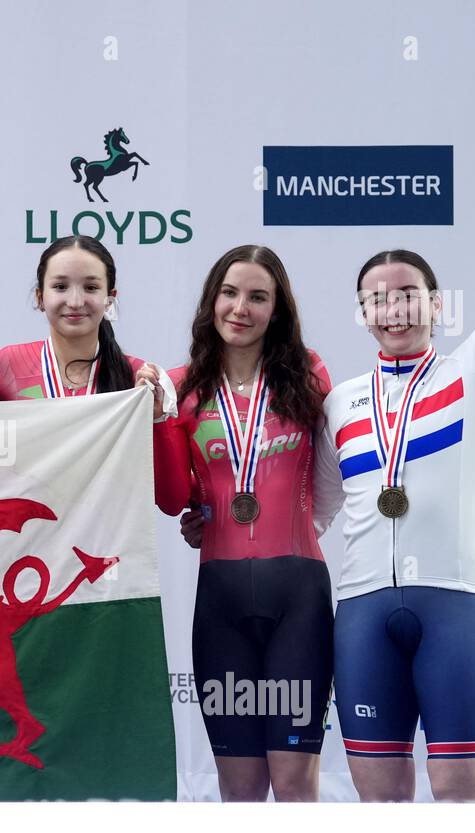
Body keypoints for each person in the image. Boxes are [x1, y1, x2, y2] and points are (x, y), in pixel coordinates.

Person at [313, 76, 475, 802]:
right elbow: (316, 509)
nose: (394, 308)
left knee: (457, 792)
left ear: (436, 304)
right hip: (362, 611)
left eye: (408, 295)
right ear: (363, 312)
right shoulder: (340, 403)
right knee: (381, 801)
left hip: (455, 604)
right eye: (378, 298)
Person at [169, 245, 333, 802]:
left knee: (294, 783)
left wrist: (305, 522)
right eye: (230, 293)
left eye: (258, 297)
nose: (240, 308)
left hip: (299, 601)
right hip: (221, 604)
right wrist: (200, 511)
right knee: (239, 790)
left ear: (277, 309)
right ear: (211, 301)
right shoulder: (179, 388)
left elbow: (330, 476)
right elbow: (177, 492)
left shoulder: (309, 374)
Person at [0, 235, 187, 514]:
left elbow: (173, 501)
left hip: (109, 541)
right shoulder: (10, 363)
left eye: (91, 287)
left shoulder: (138, 378)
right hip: (32, 537)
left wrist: (156, 420)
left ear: (110, 299)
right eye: (60, 287)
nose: (75, 301)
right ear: (40, 297)